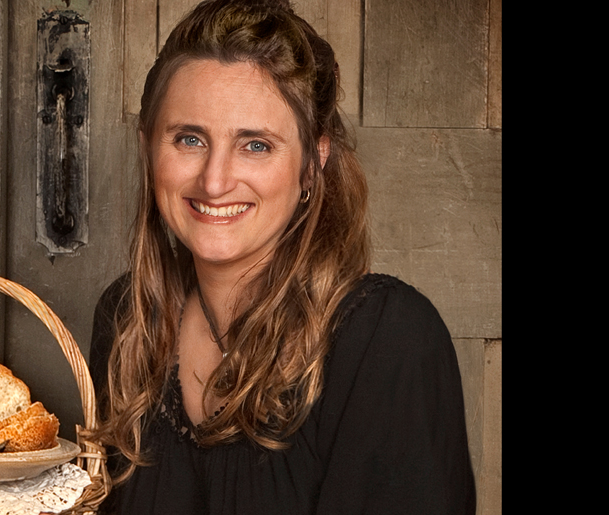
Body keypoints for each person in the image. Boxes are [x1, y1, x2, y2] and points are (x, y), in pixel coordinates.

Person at [88, 1, 476, 513]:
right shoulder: (128, 319)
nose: (215, 180)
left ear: (313, 163)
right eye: (188, 139)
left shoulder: (389, 340)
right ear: (147, 149)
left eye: (256, 146)